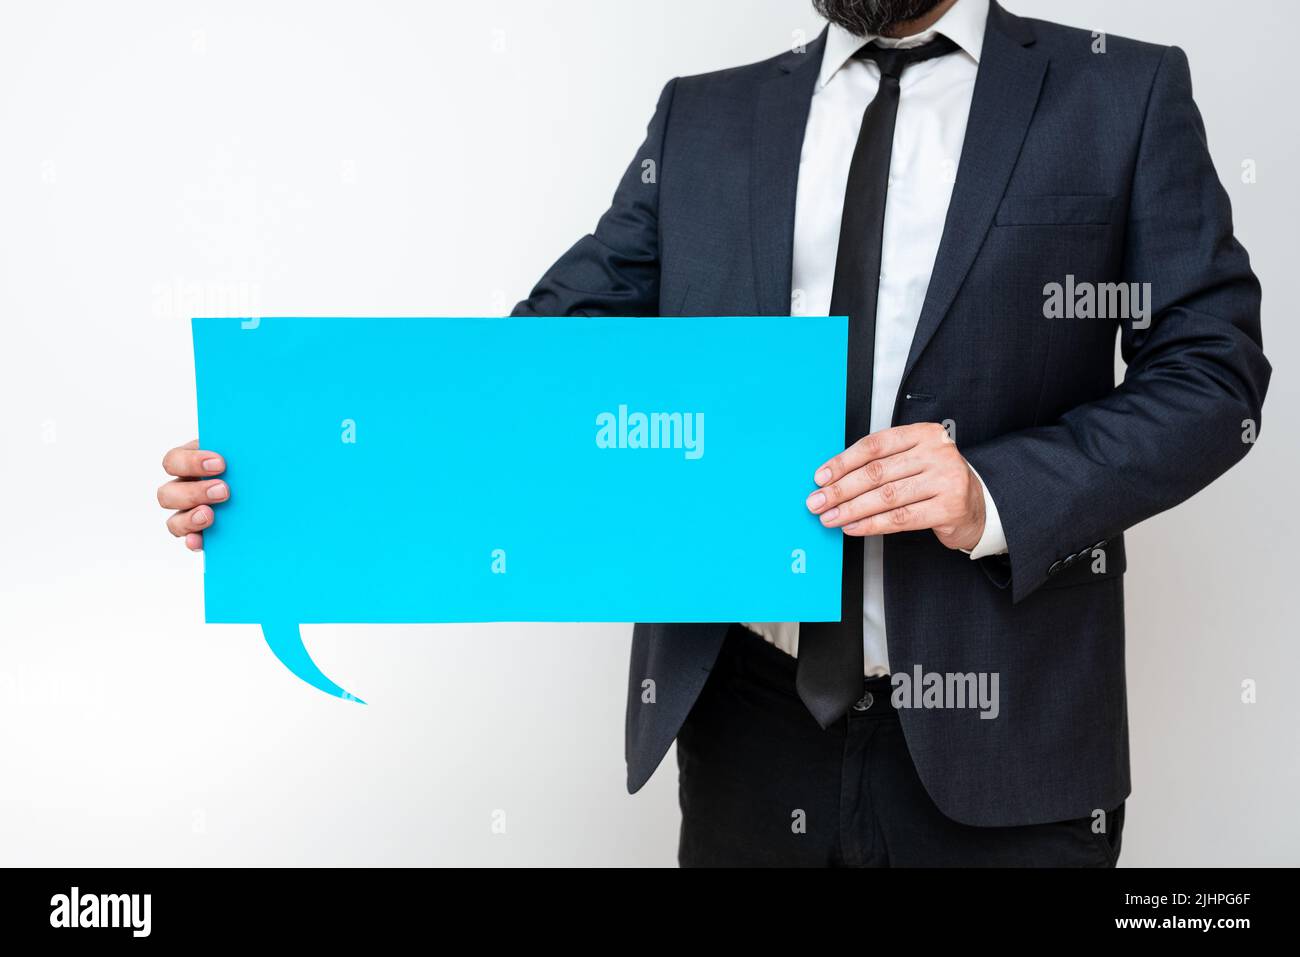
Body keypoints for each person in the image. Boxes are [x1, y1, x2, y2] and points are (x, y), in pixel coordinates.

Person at [157, 0, 1270, 866]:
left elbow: (1214, 374)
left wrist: (996, 492)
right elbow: (536, 368)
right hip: (746, 721)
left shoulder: (1118, 93)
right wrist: (289, 483)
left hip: (1012, 728)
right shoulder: (704, 116)